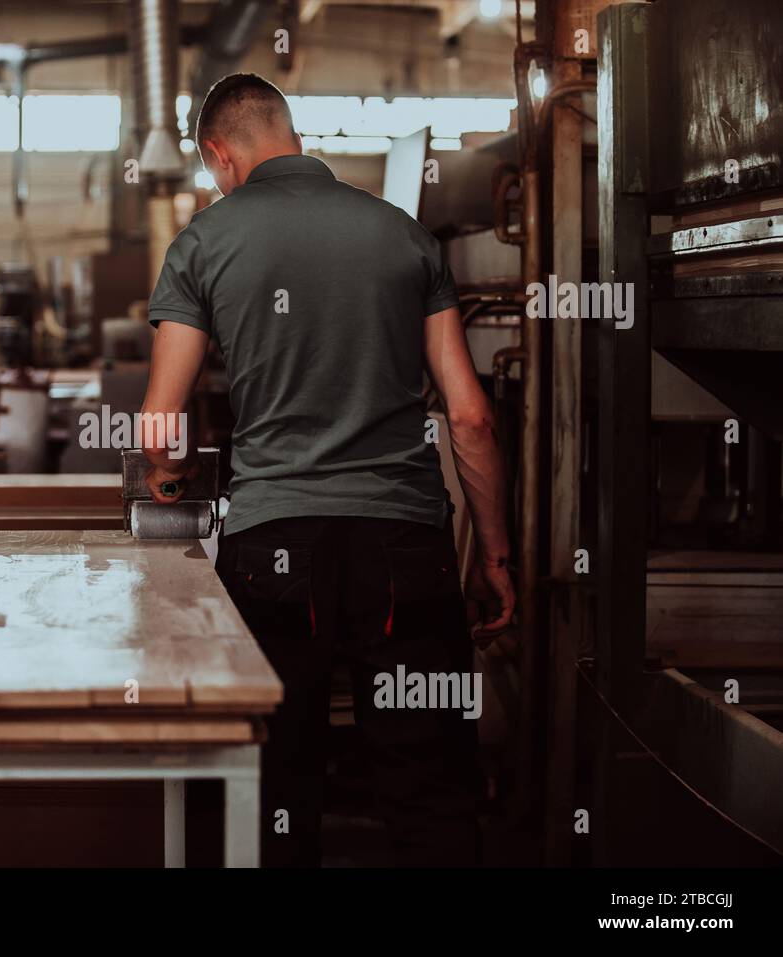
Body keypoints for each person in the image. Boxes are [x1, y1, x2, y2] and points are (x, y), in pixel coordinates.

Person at [138, 73, 516, 867]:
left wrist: (171, 490)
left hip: (276, 548)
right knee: (430, 789)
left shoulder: (203, 243)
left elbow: (160, 424)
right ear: (292, 134)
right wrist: (495, 556)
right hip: (406, 547)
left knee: (278, 785)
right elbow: (472, 418)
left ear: (219, 153)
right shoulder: (405, 236)